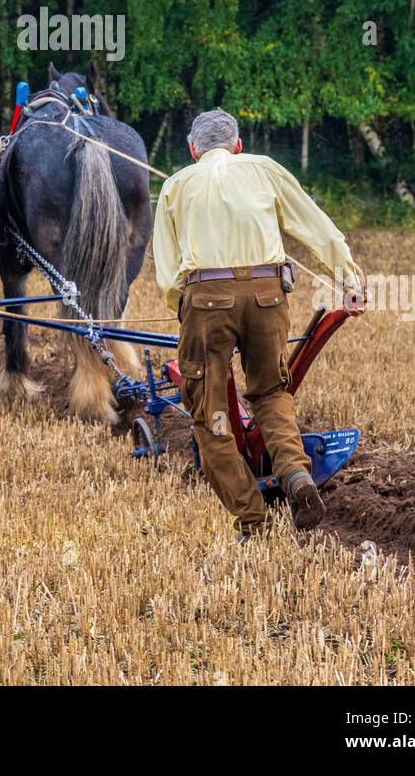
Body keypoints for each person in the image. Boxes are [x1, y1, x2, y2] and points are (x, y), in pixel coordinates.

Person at [152, 109, 365, 539]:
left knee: (210, 416)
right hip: (268, 296)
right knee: (270, 392)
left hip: (206, 300)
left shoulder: (176, 185)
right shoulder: (264, 169)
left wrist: (186, 311)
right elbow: (316, 226)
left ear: (193, 150)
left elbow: (168, 273)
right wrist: (349, 278)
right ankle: (296, 475)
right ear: (238, 145)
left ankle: (253, 519)